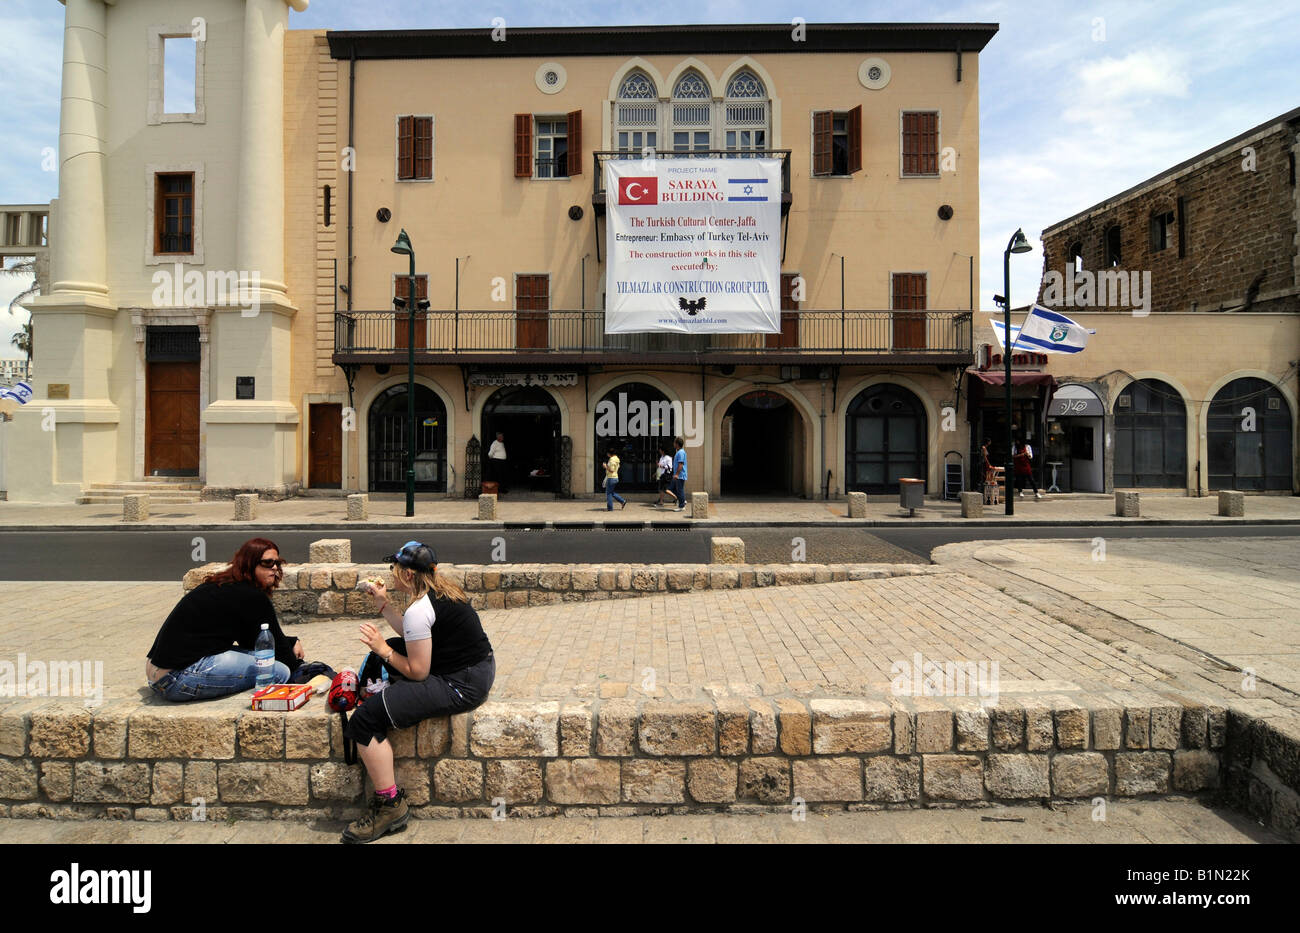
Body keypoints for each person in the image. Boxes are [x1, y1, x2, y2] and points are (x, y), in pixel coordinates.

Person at [343, 540, 495, 844]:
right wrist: (383, 605)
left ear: (409, 574)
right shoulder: (440, 591)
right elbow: (413, 635)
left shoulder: (420, 608)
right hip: (477, 669)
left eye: (394, 568)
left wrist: (382, 650)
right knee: (392, 654)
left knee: (362, 721)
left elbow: (418, 671)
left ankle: (390, 807)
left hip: (460, 684)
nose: (391, 573)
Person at [145, 538, 305, 701]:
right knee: (280, 671)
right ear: (249, 564)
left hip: (157, 673)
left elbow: (253, 640)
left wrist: (290, 642)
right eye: (267, 563)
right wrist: (302, 670)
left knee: (262, 658)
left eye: (278, 563)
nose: (275, 568)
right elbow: (278, 653)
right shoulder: (253, 596)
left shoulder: (223, 584)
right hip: (177, 678)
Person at [602, 445, 627, 510]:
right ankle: (622, 501)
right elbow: (618, 467)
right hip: (615, 477)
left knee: (609, 493)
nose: (607, 454)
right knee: (611, 492)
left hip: (611, 478)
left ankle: (610, 508)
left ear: (609, 453)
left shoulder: (612, 460)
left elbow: (612, 470)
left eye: (607, 453)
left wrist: (606, 466)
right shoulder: (617, 459)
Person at [670, 435, 688, 512]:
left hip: (680, 475)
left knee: (679, 490)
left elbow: (681, 464)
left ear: (677, 444)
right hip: (679, 475)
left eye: (674, 443)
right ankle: (682, 500)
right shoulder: (680, 452)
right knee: (674, 489)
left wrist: (677, 474)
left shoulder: (680, 452)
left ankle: (681, 506)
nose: (673, 444)